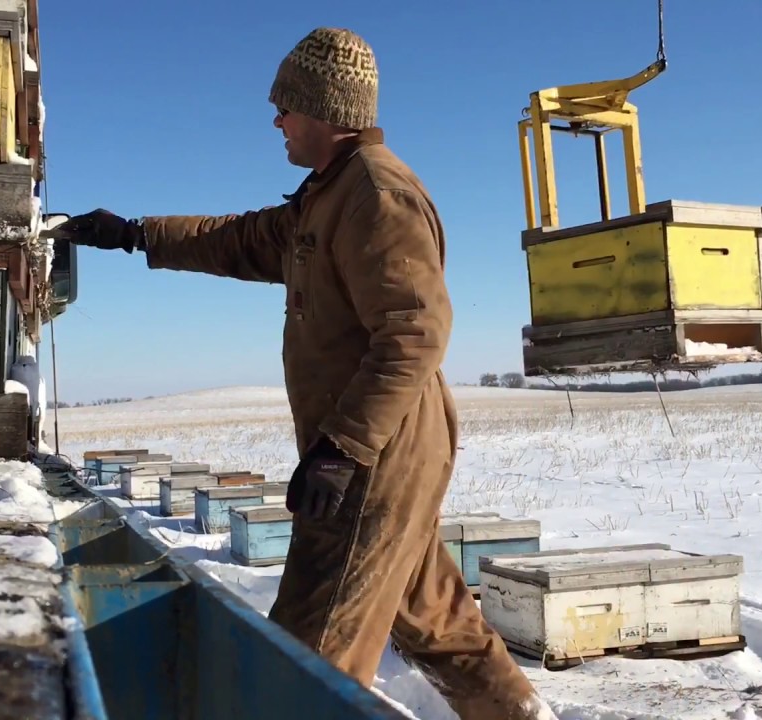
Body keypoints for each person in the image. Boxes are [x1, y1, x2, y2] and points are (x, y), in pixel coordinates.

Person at [56, 26, 557, 720]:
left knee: (306, 657)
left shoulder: (378, 196)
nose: (277, 121)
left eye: (284, 107)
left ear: (324, 110)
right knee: (441, 625)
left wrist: (342, 448)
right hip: (370, 453)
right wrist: (137, 233)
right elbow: (245, 238)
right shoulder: (327, 196)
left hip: (373, 457)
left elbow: (416, 333)